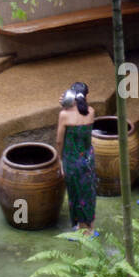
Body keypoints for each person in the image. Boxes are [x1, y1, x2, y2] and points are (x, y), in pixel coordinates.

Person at [56, 81, 97, 231]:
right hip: (88, 158)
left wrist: (59, 160)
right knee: (88, 191)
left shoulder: (64, 115)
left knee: (76, 192)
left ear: (71, 95)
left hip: (72, 160)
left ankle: (82, 230)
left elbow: (59, 141)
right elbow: (81, 110)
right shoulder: (91, 111)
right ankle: (91, 227)